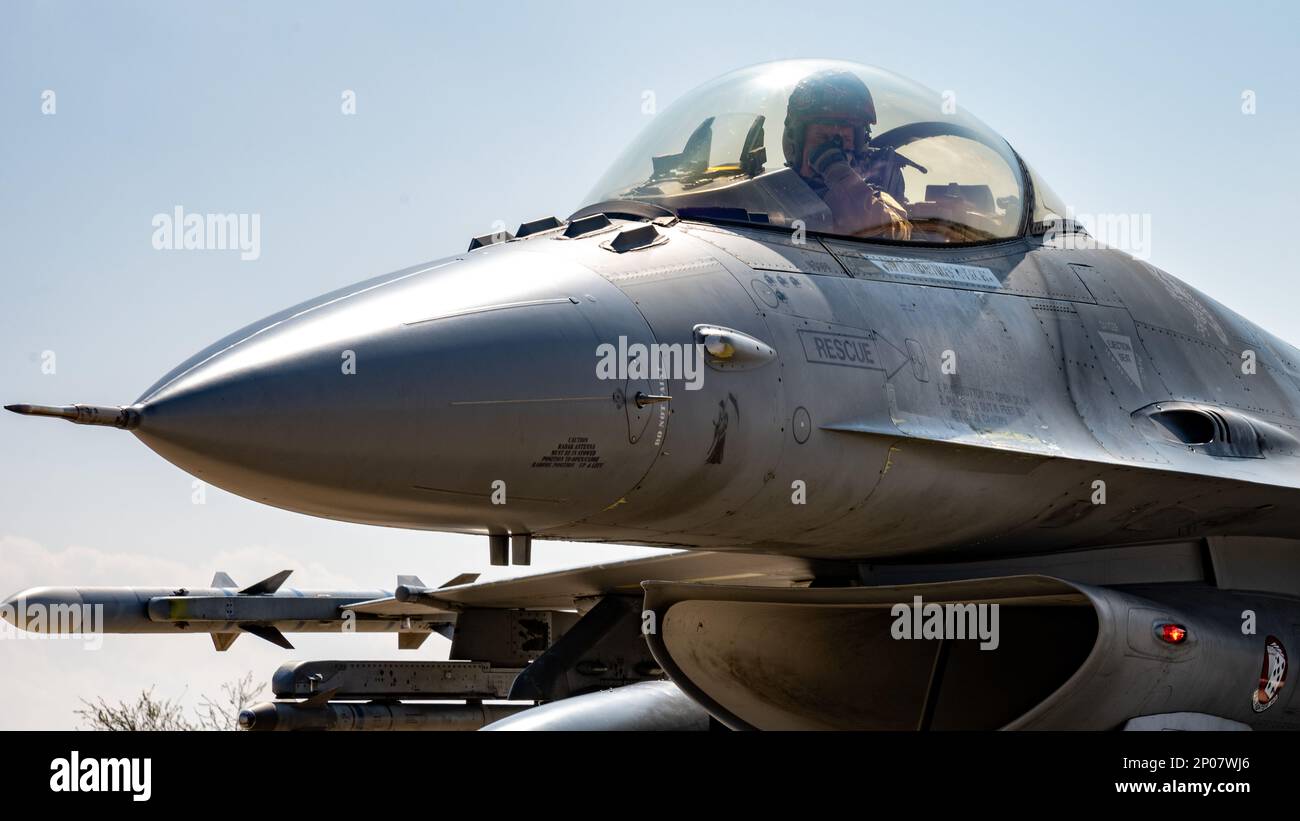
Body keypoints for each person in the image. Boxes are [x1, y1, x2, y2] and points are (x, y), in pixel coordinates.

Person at [783, 69, 911, 240]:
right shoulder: (770, 191)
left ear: (859, 146)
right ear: (796, 141)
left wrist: (840, 175)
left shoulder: (874, 197)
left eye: (844, 139)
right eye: (822, 138)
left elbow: (893, 232)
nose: (832, 149)